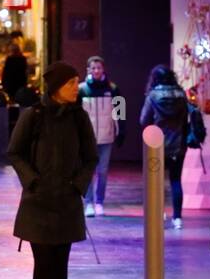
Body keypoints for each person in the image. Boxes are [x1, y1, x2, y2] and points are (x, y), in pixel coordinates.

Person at [7, 62, 98, 279]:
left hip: (67, 204)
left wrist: (78, 186)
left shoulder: (79, 117)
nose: (76, 87)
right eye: (71, 83)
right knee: (43, 265)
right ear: (57, 87)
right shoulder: (34, 115)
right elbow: (15, 152)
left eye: (76, 82)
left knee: (60, 266)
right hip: (39, 204)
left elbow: (91, 156)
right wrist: (32, 181)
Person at [139, 65, 195, 230]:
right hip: (179, 144)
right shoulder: (181, 95)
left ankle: (158, 214)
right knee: (176, 180)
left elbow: (143, 120)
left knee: (156, 181)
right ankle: (177, 218)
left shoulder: (153, 96)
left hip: (157, 144)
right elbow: (186, 119)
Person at [79, 56, 126, 217]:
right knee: (88, 170)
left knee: (103, 171)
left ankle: (99, 202)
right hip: (87, 138)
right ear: (88, 70)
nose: (97, 71)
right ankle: (88, 203)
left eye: (99, 68)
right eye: (94, 68)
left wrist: (121, 131)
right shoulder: (82, 90)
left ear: (103, 69)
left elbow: (120, 112)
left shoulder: (113, 89)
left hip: (106, 137)